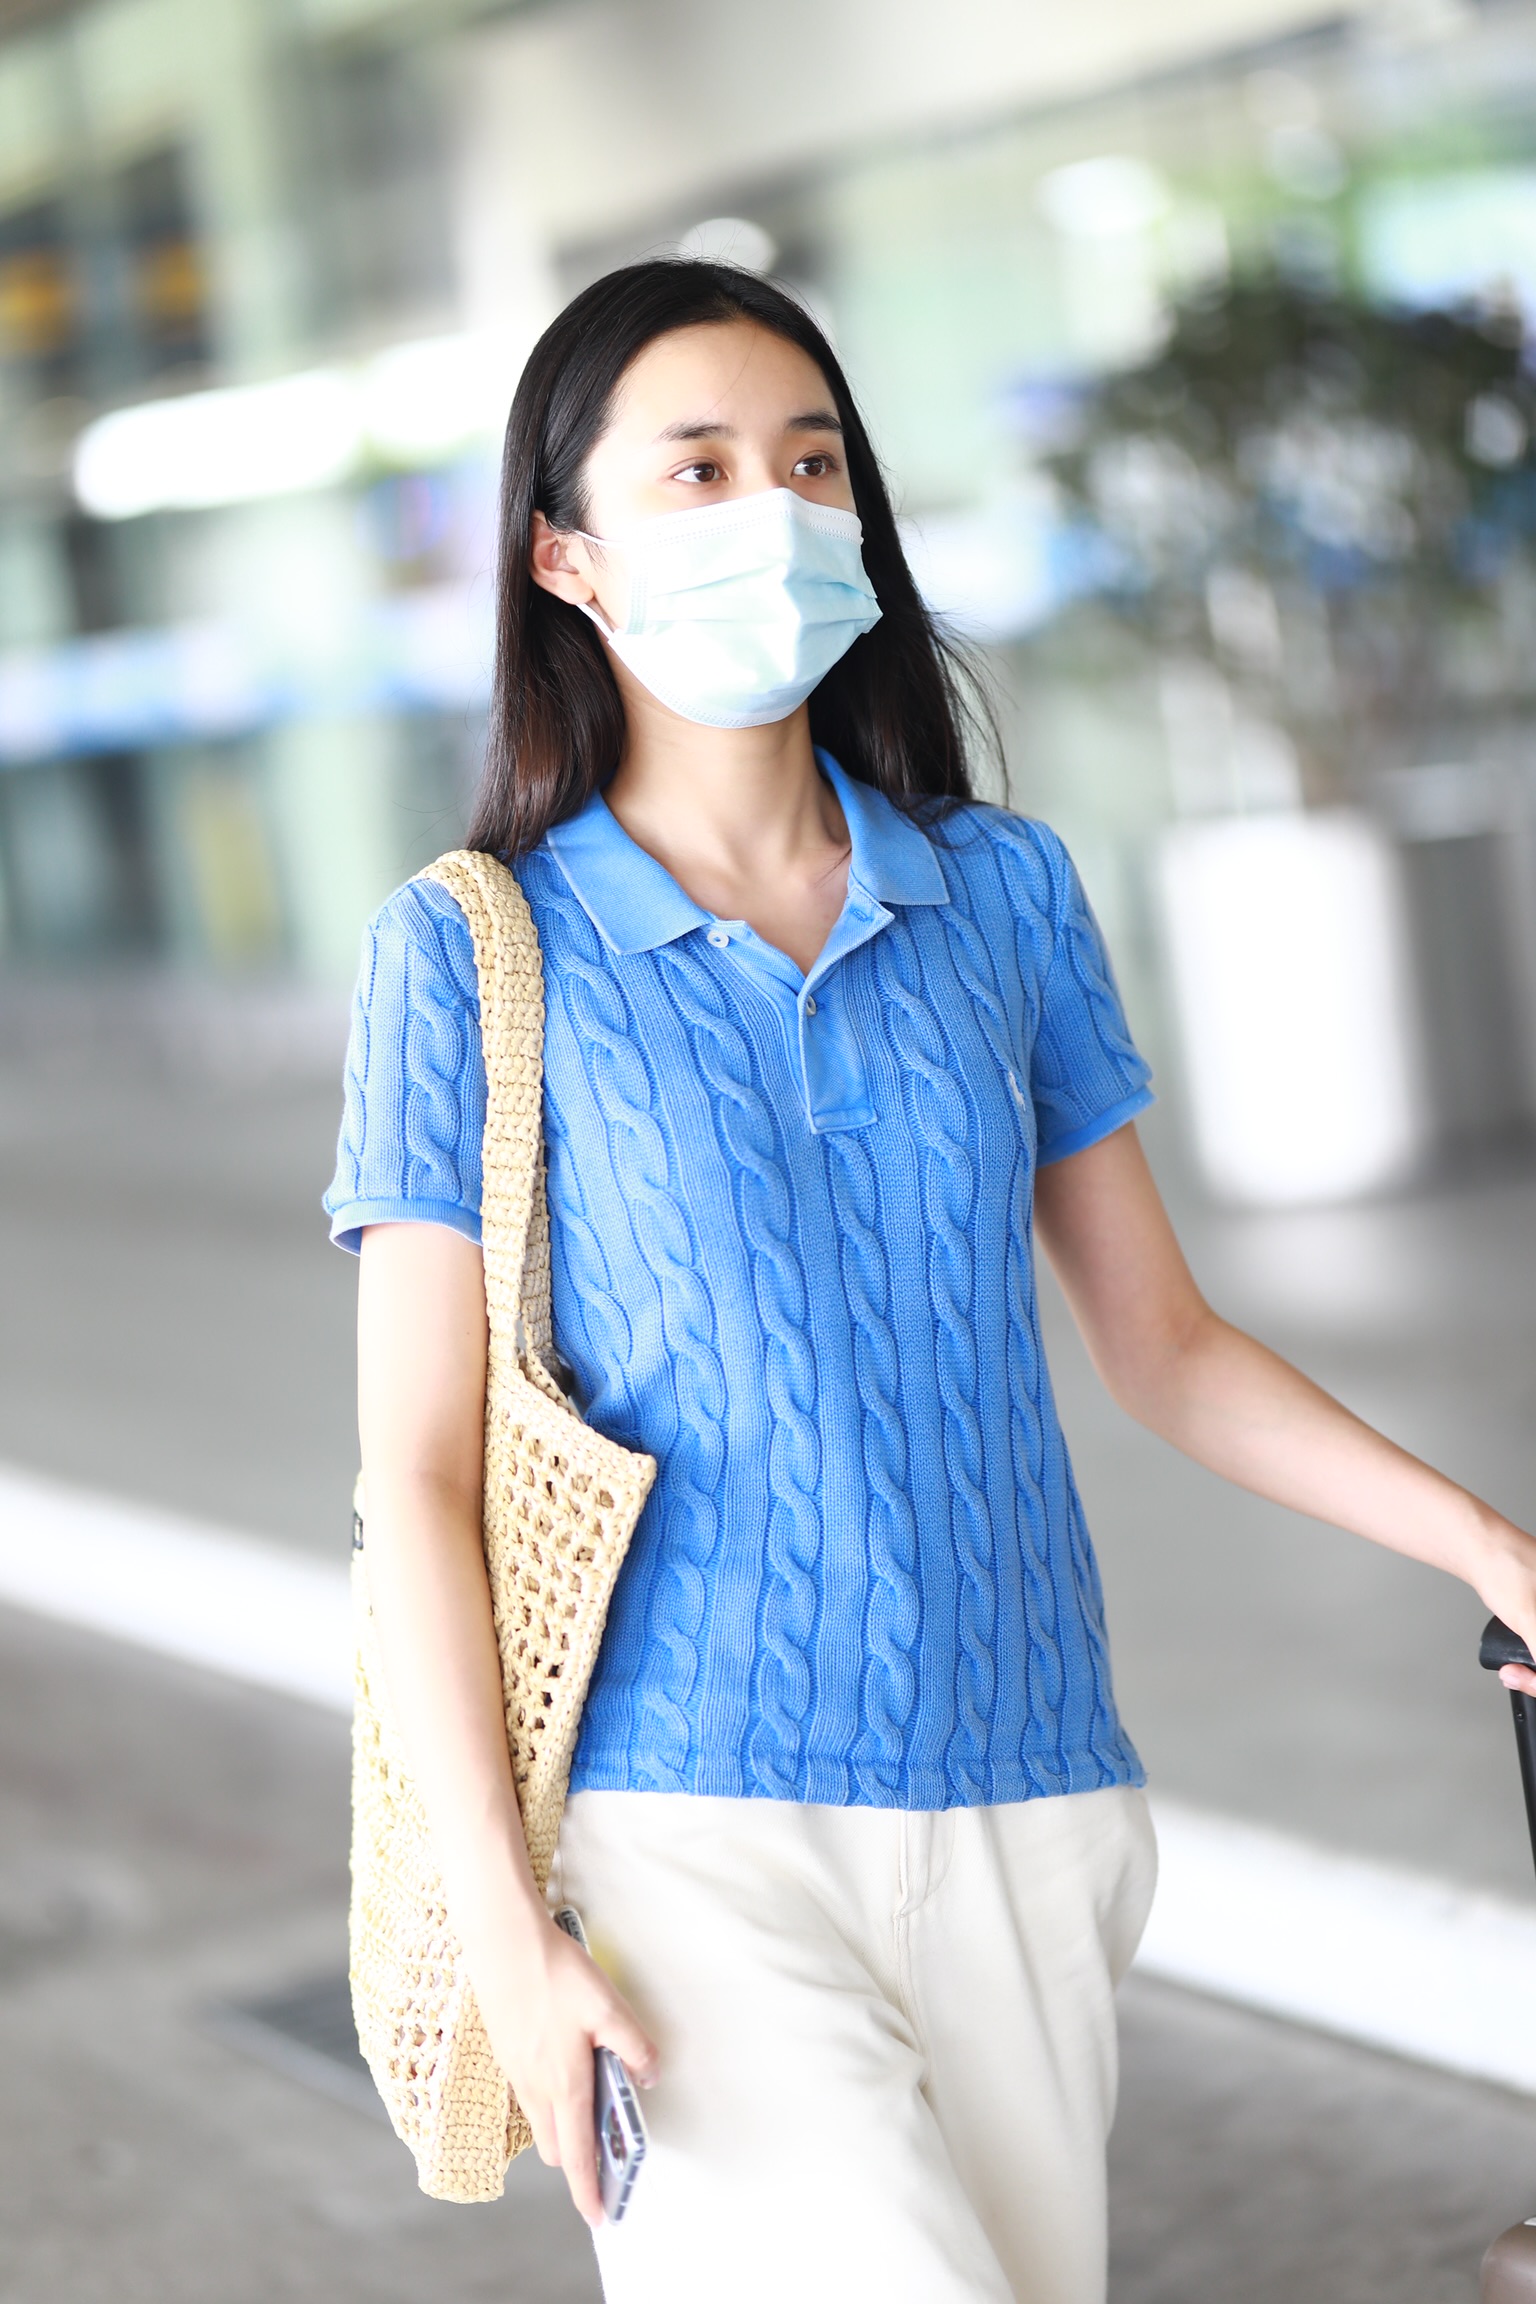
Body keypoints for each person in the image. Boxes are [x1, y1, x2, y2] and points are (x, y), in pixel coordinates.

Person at [323, 259, 1536, 2304]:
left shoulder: (1003, 897)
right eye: (694, 467)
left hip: (1033, 1798)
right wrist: (509, 1924)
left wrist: (1497, 1546)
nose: (771, 510)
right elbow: (414, 1489)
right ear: (567, 557)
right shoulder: (469, 953)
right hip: (676, 1828)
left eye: (810, 464)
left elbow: (1161, 1343)